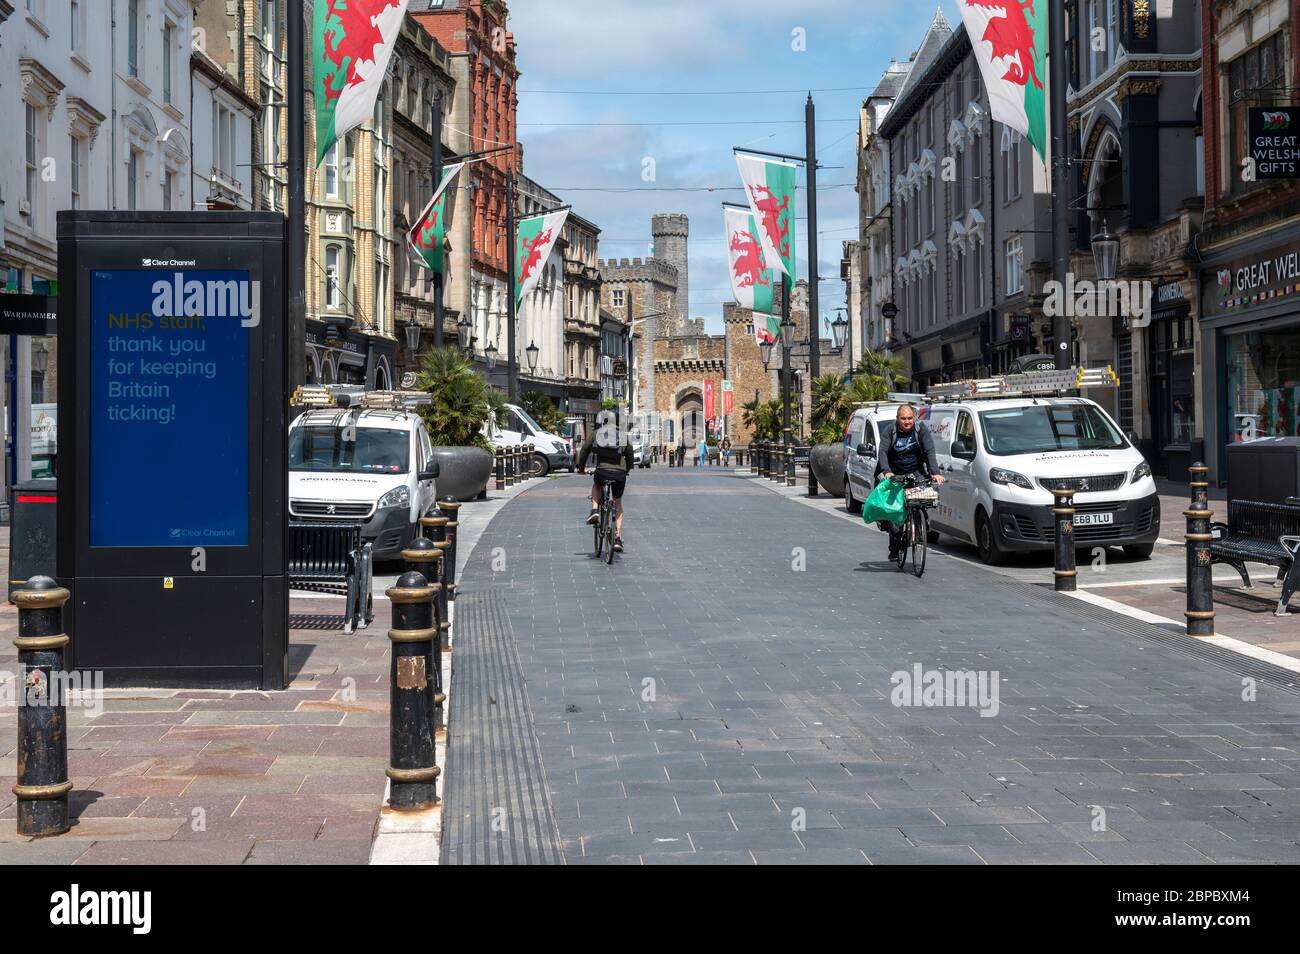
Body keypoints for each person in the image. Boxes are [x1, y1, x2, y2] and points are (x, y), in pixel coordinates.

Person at [878, 404, 945, 560]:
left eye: (909, 418)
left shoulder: (921, 430)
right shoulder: (890, 431)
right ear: (897, 419)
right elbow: (882, 452)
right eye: (903, 418)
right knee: (895, 514)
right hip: (896, 473)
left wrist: (935, 473)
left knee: (923, 497)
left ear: (914, 418)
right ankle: (895, 547)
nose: (907, 422)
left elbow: (929, 451)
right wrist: (887, 472)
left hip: (917, 472)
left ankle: (921, 521)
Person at [578, 410, 634, 552]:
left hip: (602, 471)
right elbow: (630, 453)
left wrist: (581, 468)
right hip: (619, 474)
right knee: (618, 503)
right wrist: (627, 469)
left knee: (597, 484)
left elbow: (584, 450)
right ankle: (617, 538)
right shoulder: (622, 435)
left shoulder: (597, 433)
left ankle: (595, 510)